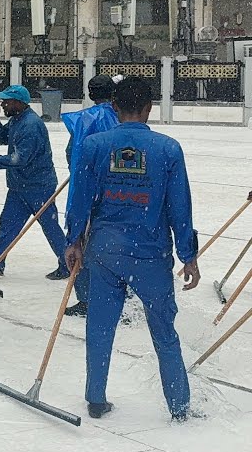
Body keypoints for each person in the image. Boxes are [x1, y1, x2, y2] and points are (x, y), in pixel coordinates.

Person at [64, 76, 199, 421]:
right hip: (150, 252)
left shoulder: (94, 145)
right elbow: (179, 206)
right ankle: (179, 406)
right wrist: (188, 255)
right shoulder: (167, 149)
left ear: (113, 106)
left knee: (100, 326)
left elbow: (80, 197)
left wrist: (74, 239)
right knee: (164, 332)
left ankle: (96, 397)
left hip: (105, 249)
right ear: (149, 107)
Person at [0, 85, 67, 281]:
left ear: (19, 103)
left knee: (50, 226)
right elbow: (4, 138)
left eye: (7, 101)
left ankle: (68, 264)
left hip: (38, 186)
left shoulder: (30, 125)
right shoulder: (17, 119)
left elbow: (18, 160)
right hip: (19, 185)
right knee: (8, 225)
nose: (3, 104)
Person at [62, 74, 121, 317]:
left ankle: (86, 298)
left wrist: (78, 172)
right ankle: (119, 297)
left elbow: (72, 152)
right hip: (116, 190)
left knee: (80, 241)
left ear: (90, 94)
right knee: (114, 245)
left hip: (86, 189)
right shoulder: (122, 116)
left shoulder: (84, 119)